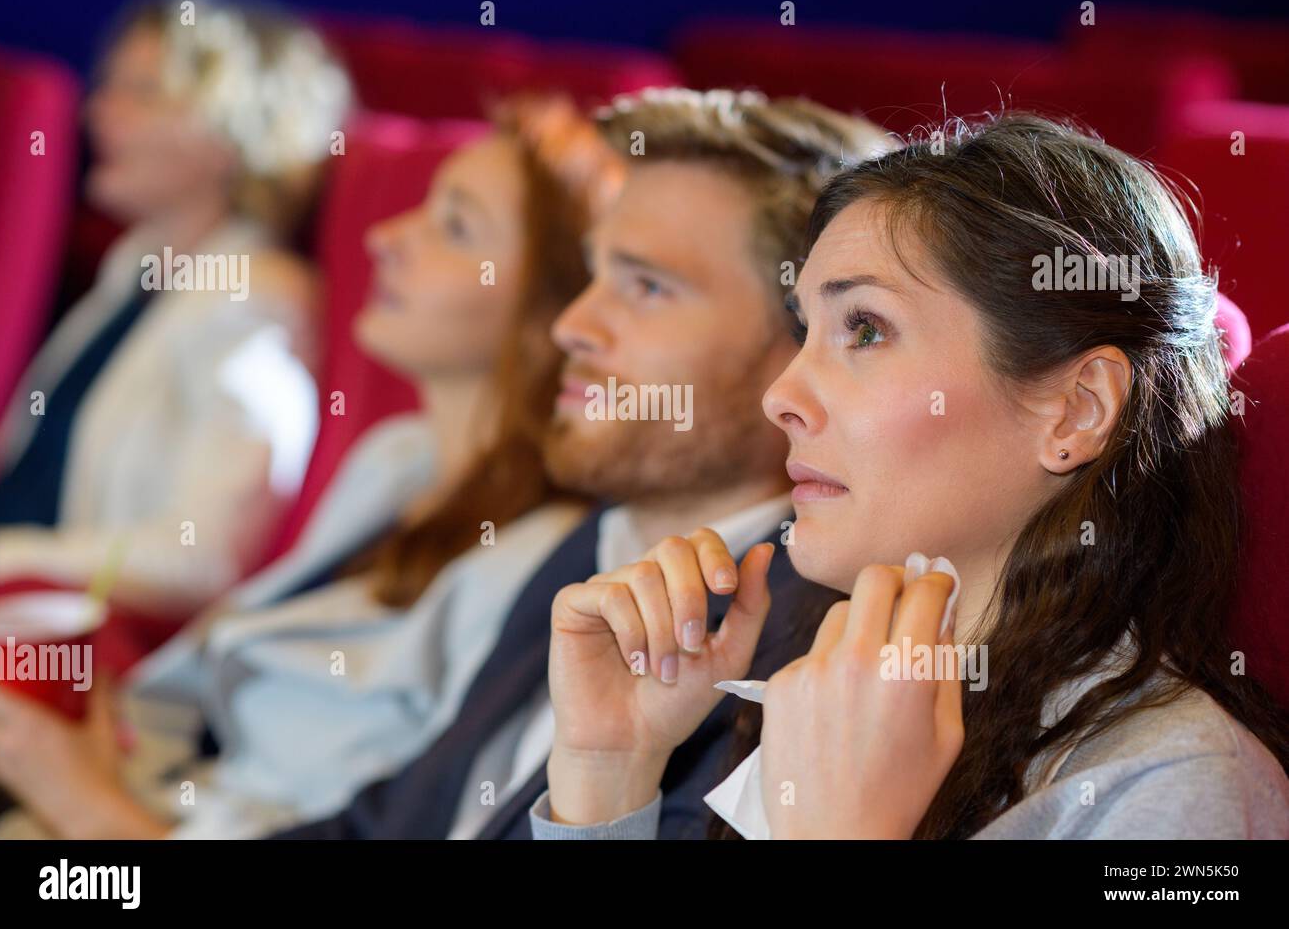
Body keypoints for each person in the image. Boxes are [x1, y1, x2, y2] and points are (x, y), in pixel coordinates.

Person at [531, 113, 1289, 840]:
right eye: (806, 332)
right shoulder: (835, 685)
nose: (781, 398)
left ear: (1074, 411)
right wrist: (610, 770)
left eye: (865, 329)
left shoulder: (1174, 783)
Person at [0, 96, 620, 839]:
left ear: (556, 311)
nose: (385, 238)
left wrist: (80, 800)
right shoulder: (396, 461)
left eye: (455, 227)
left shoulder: (541, 566)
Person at [270, 88, 892, 840]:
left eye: (648, 287)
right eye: (596, 275)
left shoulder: (805, 659)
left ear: (802, 348)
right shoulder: (602, 537)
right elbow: (388, 825)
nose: (573, 326)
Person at [0, 0, 351, 610]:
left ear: (232, 134)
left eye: (145, 93)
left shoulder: (255, 300)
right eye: (112, 87)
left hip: (61, 640)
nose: (102, 111)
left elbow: (203, 557)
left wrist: (8, 558)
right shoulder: (135, 269)